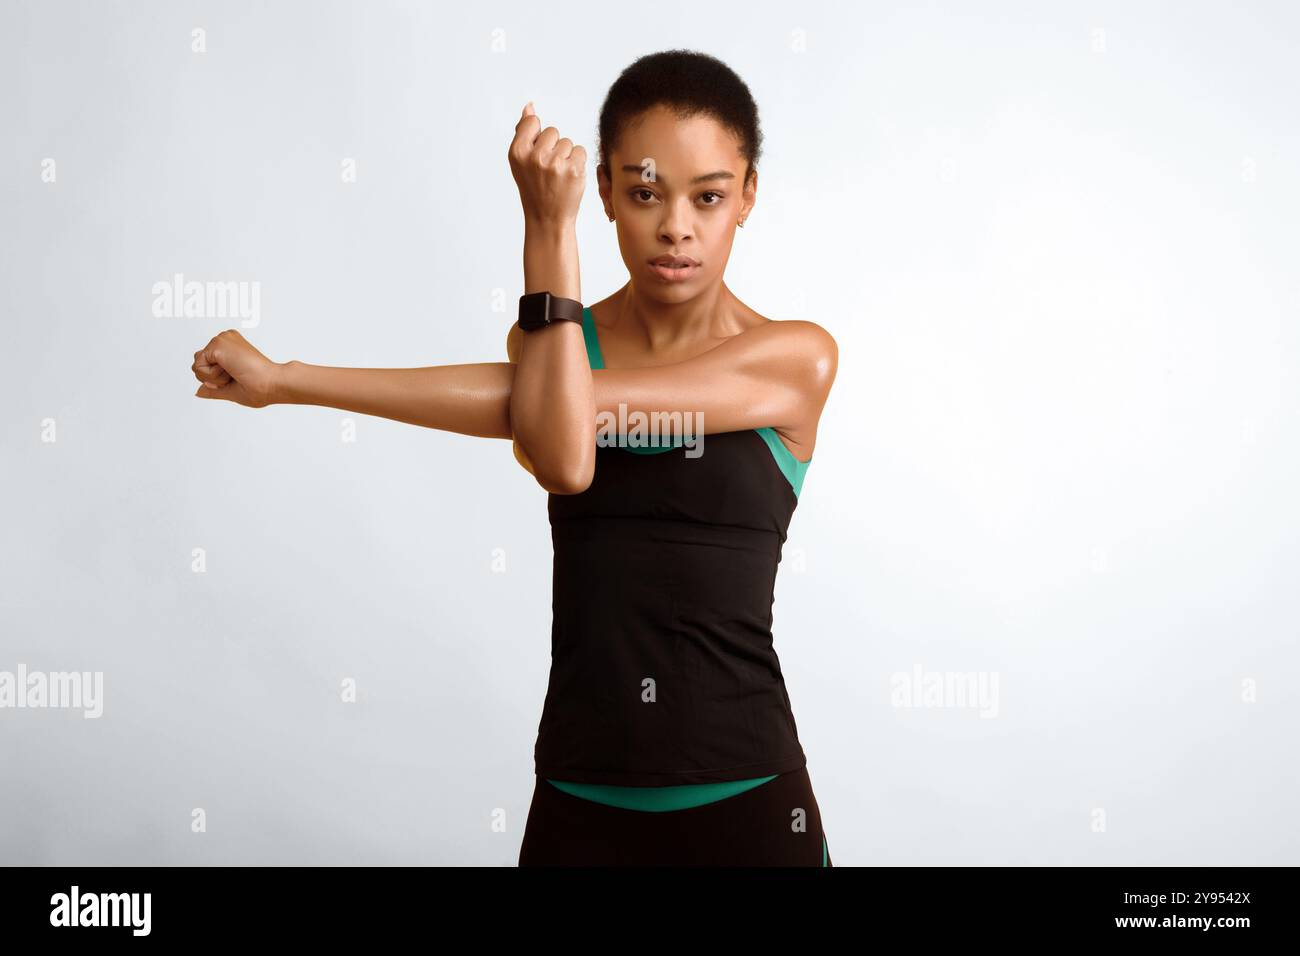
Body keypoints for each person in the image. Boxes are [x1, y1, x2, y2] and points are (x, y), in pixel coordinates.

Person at [190, 49, 839, 866]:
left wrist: (545, 230)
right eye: (645, 193)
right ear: (603, 189)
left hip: (748, 802)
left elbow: (562, 436)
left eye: (708, 196)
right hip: (578, 796)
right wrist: (284, 380)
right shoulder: (559, 354)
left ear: (746, 195)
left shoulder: (795, 359)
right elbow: (547, 425)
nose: (677, 225)